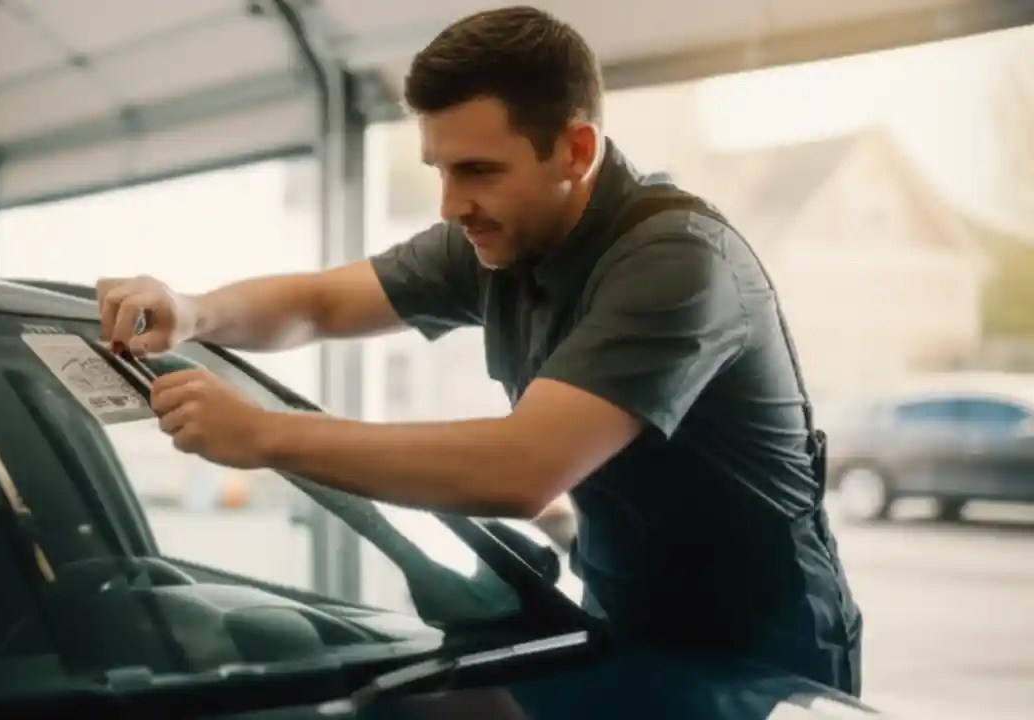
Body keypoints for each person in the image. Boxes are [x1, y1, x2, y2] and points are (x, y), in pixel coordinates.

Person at [97, 5, 863, 695]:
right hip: (623, 614)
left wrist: (264, 433)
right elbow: (322, 303)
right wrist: (194, 311)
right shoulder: (500, 238)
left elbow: (519, 470)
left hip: (765, 650)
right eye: (440, 168)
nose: (451, 203)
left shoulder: (679, 265)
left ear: (575, 150)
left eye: (478, 171)